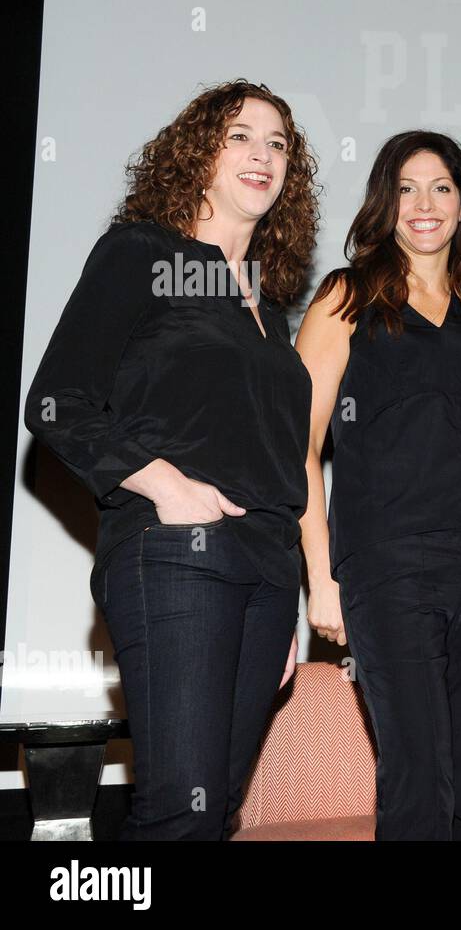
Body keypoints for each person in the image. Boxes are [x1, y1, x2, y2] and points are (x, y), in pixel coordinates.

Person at [24, 80, 319, 839]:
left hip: (265, 574)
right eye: (240, 137)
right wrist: (164, 483)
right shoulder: (141, 251)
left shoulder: (267, 308)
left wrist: (282, 597)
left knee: (214, 812)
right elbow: (55, 401)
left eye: (278, 143)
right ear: (198, 154)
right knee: (176, 814)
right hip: (175, 554)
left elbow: (274, 455)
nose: (263, 155)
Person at [295, 131, 461, 841]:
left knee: (459, 779)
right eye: (406, 188)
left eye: (442, 188)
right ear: (383, 203)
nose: (424, 204)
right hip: (386, 569)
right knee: (418, 776)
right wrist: (320, 576)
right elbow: (296, 444)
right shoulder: (346, 297)